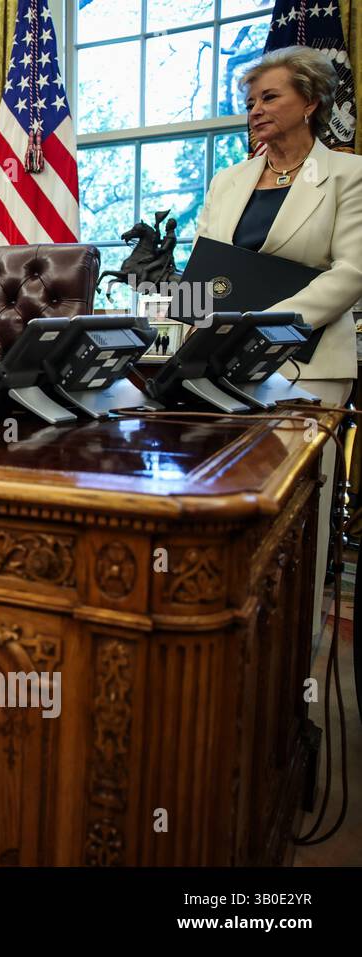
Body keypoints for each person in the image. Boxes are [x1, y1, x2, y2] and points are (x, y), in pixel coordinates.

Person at [195, 44, 362, 632]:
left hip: (309, 365)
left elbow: (352, 273)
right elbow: (208, 269)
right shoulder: (229, 179)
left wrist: (270, 323)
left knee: (301, 511)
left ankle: (296, 643)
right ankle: (241, 631)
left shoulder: (349, 175)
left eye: (270, 97)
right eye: (250, 101)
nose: (256, 110)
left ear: (310, 102)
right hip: (230, 366)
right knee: (240, 502)